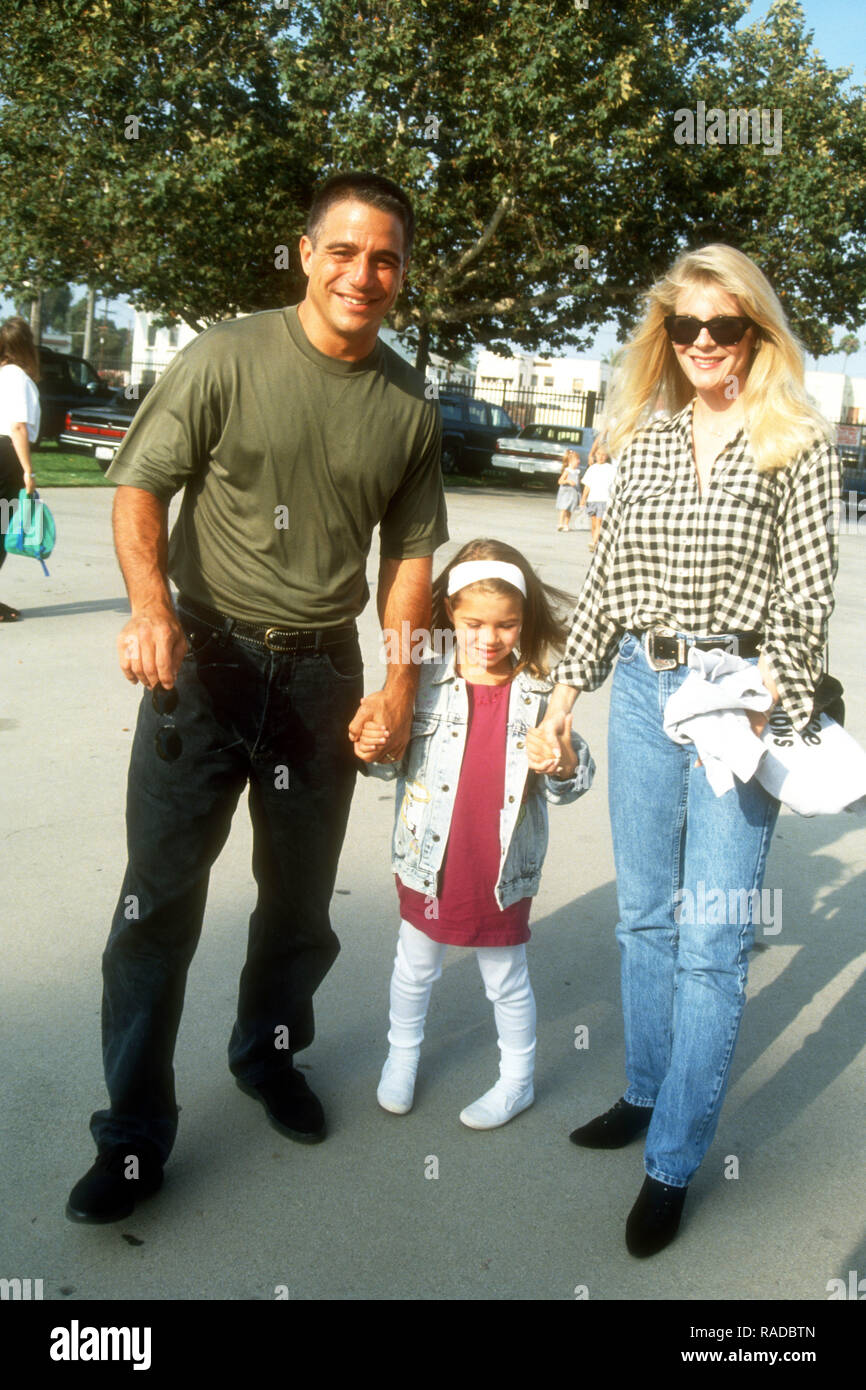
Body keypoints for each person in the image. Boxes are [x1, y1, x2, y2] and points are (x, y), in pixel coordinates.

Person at [66, 171, 449, 1224]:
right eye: (343, 251)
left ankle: (268, 1055)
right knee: (157, 904)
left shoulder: (407, 403)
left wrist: (402, 678)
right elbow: (142, 487)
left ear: (401, 274)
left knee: (296, 906)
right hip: (206, 659)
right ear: (305, 251)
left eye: (384, 259)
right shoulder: (225, 356)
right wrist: (151, 607)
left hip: (321, 673)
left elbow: (409, 558)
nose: (361, 274)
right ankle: (134, 1136)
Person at [533, 244, 839, 1257]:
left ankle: (670, 1162)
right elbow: (612, 574)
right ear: (664, 337)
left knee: (710, 936)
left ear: (757, 332)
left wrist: (771, 704)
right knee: (641, 916)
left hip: (734, 699)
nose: (704, 344)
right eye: (686, 327)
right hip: (639, 687)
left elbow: (805, 597)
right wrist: (559, 694)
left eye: (725, 325)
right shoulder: (648, 436)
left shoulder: (795, 439)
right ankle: (642, 1089)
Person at [354, 538, 594, 1129]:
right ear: (447, 617)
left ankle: (517, 1081)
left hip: (500, 870)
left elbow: (571, 779)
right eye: (474, 623)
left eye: (507, 625)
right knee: (414, 965)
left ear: (525, 622)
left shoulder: (543, 691)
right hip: (429, 860)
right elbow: (389, 763)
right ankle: (402, 1057)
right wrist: (370, 744)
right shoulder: (423, 680)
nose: (490, 639)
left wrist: (561, 763)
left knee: (505, 978)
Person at [0, 316, 40, 621]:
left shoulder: (2, 374)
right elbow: (17, 426)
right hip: (6, 456)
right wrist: (28, 470)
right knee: (2, 527)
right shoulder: (18, 378)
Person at [579, 441, 615, 551]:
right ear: (595, 455)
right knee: (594, 523)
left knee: (599, 522)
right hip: (592, 499)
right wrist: (583, 499)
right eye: (598, 454)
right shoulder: (592, 468)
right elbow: (587, 486)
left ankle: (594, 542)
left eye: (603, 455)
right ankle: (595, 541)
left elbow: (614, 485)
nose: (600, 457)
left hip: (604, 499)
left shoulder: (611, 469)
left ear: (607, 456)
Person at [555, 449, 581, 532]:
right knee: (564, 508)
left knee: (570, 509)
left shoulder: (577, 472)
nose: (579, 461)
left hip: (573, 493)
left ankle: (566, 524)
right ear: (570, 461)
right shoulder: (567, 471)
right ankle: (560, 523)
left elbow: (577, 482)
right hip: (566, 492)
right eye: (577, 459)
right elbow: (560, 481)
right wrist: (568, 481)